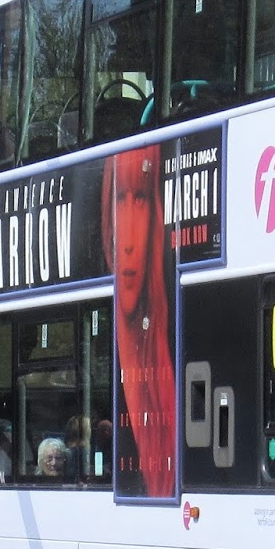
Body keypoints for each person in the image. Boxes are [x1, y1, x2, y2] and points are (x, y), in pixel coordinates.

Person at [104, 145, 177, 498]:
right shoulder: (105, 361)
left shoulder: (169, 353)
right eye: (120, 198)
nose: (129, 239)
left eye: (141, 199)